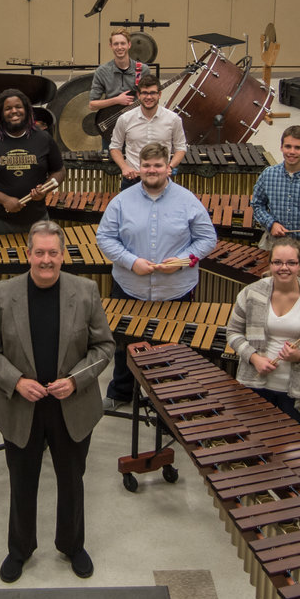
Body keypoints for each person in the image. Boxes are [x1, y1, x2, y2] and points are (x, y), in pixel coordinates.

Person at [0, 221, 113, 584]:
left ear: (63, 255)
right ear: (28, 254)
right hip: (23, 407)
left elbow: (105, 347)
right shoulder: (3, 295)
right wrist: (16, 381)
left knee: (72, 481)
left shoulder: (85, 291)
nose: (46, 260)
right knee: (22, 481)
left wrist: (76, 380)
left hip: (72, 406)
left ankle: (72, 544)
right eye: (40, 252)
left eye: (53, 253)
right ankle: (19, 549)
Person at [96, 142, 218, 408]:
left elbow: (208, 239)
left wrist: (184, 261)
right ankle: (121, 392)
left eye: (158, 165)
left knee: (171, 347)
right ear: (140, 168)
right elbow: (104, 238)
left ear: (168, 168)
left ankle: (167, 398)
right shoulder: (121, 201)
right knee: (126, 345)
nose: (152, 170)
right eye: (147, 165)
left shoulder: (187, 200)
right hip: (130, 286)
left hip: (175, 289)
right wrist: (131, 261)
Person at [224, 238, 300, 434]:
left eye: (291, 263)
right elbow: (233, 332)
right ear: (269, 263)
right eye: (277, 262)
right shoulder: (251, 294)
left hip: (297, 392)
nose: (283, 268)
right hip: (254, 384)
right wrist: (254, 358)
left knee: (291, 451)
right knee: (253, 447)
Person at [0, 88, 66, 238]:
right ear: (0, 113)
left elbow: (59, 171)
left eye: (18, 107)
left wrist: (44, 189)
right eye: (8, 108)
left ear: (26, 110)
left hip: (37, 218)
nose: (14, 111)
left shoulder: (43, 139)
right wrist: (4, 199)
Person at [250, 125, 300, 260]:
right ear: (281, 147)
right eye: (288, 146)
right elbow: (257, 205)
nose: (292, 152)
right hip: (273, 243)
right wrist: (271, 223)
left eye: (298, 148)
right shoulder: (268, 174)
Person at [108, 73, 186, 186]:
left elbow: (181, 148)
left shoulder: (174, 119)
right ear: (138, 95)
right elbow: (115, 147)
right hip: (133, 179)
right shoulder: (125, 119)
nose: (148, 97)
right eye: (144, 93)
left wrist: (170, 166)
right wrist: (124, 167)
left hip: (161, 178)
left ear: (159, 94)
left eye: (152, 93)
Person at [89, 28, 145, 120]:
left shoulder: (142, 69)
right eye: (116, 44)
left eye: (123, 43)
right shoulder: (102, 71)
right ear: (111, 46)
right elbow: (92, 105)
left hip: (137, 120)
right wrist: (117, 100)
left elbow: (151, 99)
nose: (119, 47)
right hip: (112, 121)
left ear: (129, 45)